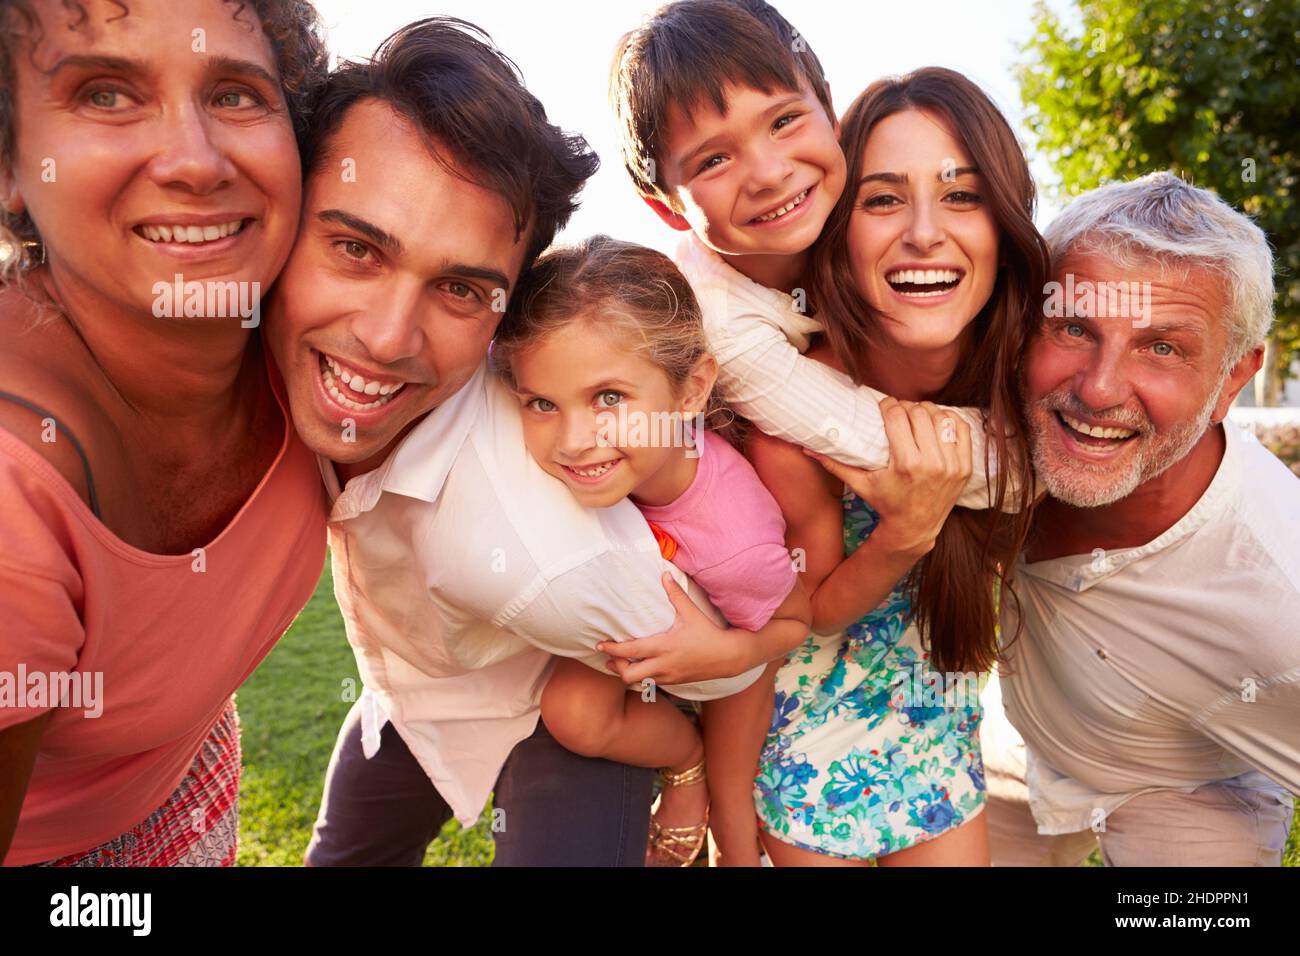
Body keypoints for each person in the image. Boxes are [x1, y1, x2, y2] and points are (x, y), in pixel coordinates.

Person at [265, 18, 772, 868]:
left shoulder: (553, 563)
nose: (387, 338)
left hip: (572, 708)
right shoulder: (253, 344)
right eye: (355, 247)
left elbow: (714, 667)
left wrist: (688, 761)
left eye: (460, 288)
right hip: (419, 686)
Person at [609, 1, 1038, 865]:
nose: (767, 173)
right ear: (668, 203)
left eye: (783, 120)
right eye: (716, 157)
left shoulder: (935, 301)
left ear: (827, 114)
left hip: (930, 733)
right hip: (801, 738)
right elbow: (788, 624)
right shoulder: (736, 350)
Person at [0, 0, 330, 867]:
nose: (194, 159)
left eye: (234, 93)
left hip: (191, 776)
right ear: (10, 162)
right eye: (106, 94)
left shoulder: (324, 348)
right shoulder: (12, 497)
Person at [993, 170, 1299, 866]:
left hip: (1189, 789)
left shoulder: (1281, 593)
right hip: (1018, 741)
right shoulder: (1000, 434)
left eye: (1163, 347)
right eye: (1073, 327)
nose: (1099, 390)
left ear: (1231, 380)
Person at [491, 235, 813, 866]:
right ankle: (682, 757)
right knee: (573, 713)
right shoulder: (573, 465)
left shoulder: (734, 542)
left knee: (729, 816)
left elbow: (794, 621)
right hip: (632, 647)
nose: (575, 441)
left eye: (609, 398)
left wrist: (726, 653)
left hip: (730, 656)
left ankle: (705, 788)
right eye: (542, 404)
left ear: (691, 391)